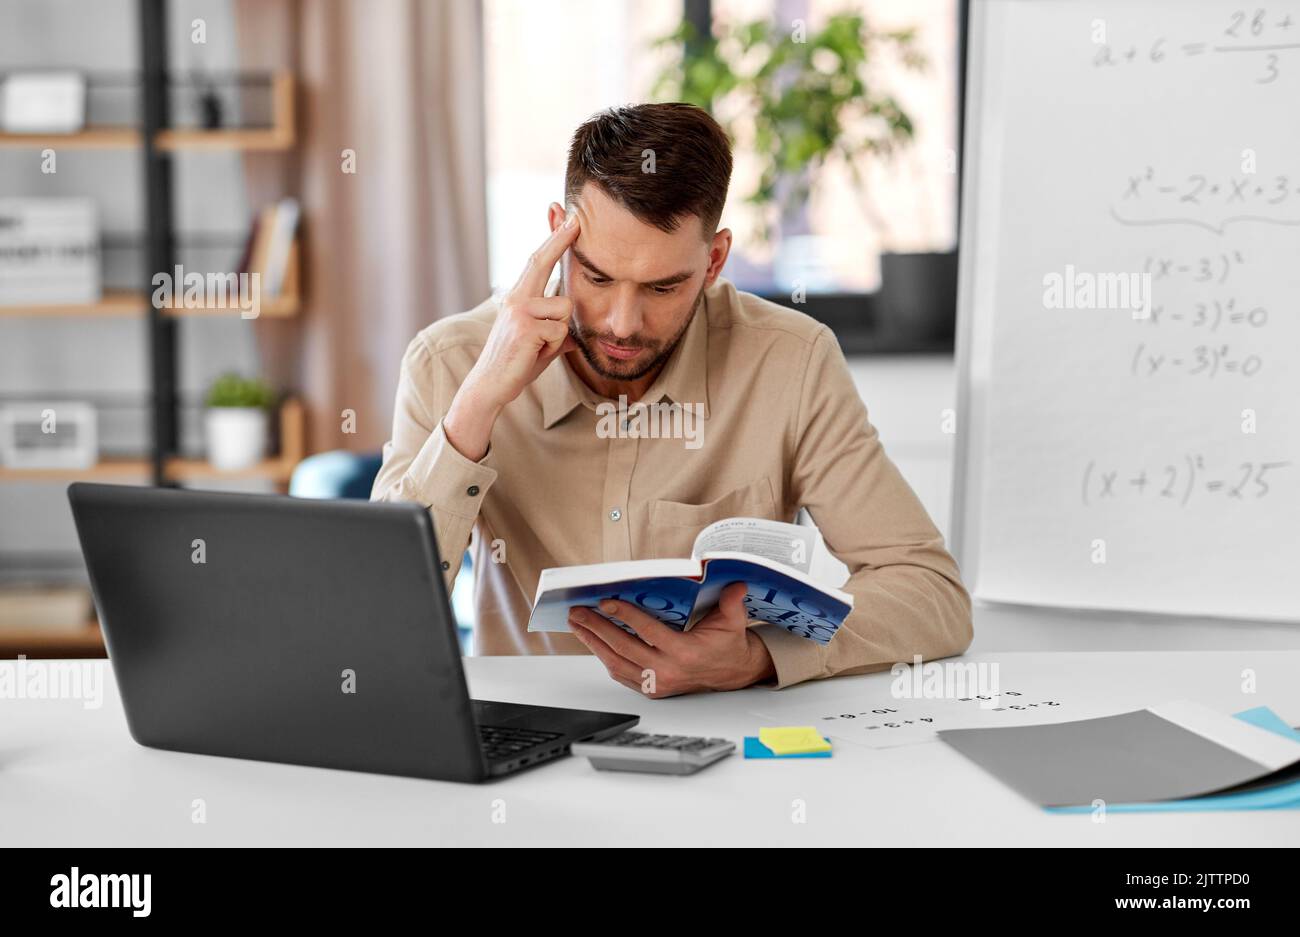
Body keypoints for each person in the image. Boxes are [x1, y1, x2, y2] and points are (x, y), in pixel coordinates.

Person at [373, 102, 971, 697]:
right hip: (529, 729)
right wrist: (476, 406)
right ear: (557, 233)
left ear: (714, 261)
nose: (623, 323)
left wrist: (764, 656)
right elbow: (381, 618)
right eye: (597, 277)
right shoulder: (450, 362)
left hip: (728, 730)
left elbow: (931, 593)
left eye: (662, 287)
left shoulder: (792, 362)